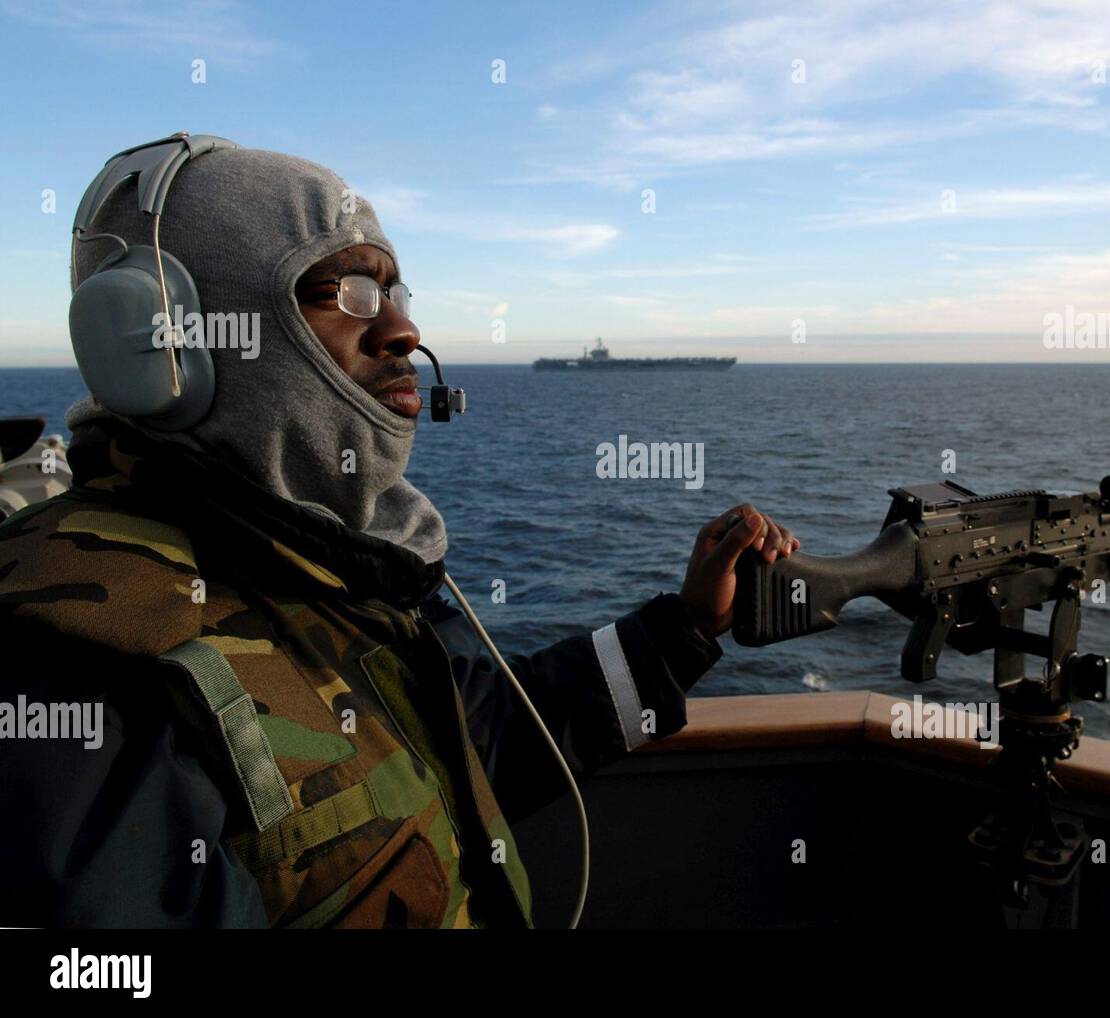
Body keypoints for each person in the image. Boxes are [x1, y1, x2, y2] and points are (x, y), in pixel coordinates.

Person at [0, 135, 797, 928]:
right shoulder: (76, 644)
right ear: (167, 340)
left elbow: (461, 746)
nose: (402, 332)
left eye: (393, 293)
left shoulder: (330, 562)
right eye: (338, 292)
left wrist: (683, 630)